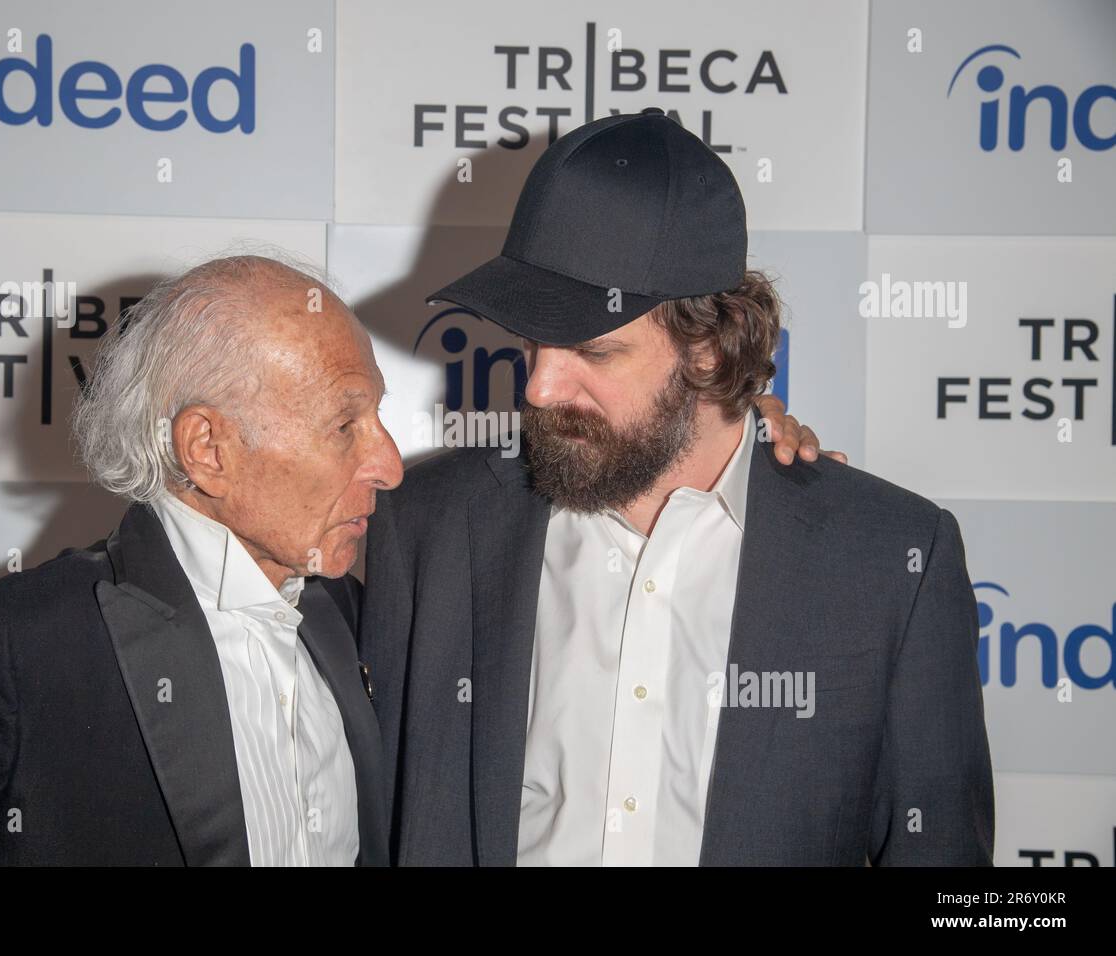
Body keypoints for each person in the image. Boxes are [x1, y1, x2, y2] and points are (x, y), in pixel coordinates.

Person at [359, 111, 994, 866]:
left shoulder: (891, 563)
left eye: (592, 349)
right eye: (529, 340)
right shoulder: (425, 525)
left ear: (706, 346)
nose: (539, 386)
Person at [0, 256, 402, 865]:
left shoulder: (345, 613)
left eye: (378, 416)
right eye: (344, 424)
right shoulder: (27, 647)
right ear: (208, 449)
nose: (388, 464)